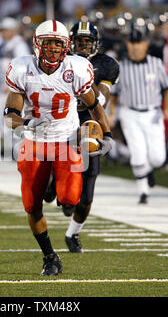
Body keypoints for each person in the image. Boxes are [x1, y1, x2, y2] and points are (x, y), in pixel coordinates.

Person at [4, 20, 114, 276]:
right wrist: (27, 122)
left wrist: (106, 133)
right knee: (32, 206)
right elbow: (10, 116)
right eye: (48, 42)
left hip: (66, 140)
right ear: (37, 44)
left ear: (66, 47)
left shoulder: (76, 69)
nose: (53, 49)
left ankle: (53, 184)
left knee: (70, 199)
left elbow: (94, 105)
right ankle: (49, 257)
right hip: (35, 143)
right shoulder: (22, 68)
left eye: (58, 43)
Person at [43, 21, 119, 253]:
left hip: (89, 124)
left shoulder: (106, 65)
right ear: (71, 43)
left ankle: (72, 233)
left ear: (96, 43)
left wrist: (87, 83)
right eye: (79, 41)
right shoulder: (60, 62)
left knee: (86, 194)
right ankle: (54, 186)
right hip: (63, 123)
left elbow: (102, 97)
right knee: (56, 189)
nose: (84, 46)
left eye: (88, 42)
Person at [109, 29, 168, 204]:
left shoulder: (156, 63)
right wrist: (113, 113)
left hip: (153, 112)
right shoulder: (121, 67)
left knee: (158, 158)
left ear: (145, 44)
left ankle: (148, 169)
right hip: (130, 113)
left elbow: (167, 88)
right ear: (127, 45)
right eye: (132, 43)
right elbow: (114, 94)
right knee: (137, 153)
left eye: (138, 43)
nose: (135, 47)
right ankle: (143, 191)